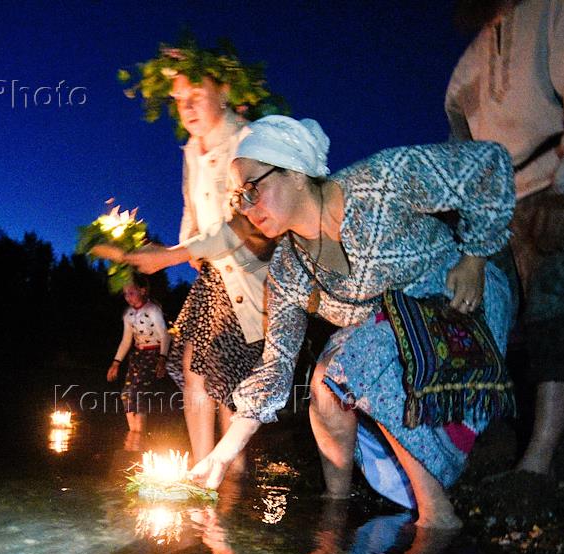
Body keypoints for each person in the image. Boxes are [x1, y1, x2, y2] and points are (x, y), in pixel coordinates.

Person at [189, 116, 517, 529]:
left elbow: (489, 163)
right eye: (238, 198)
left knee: (354, 362)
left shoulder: (380, 184)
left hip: (458, 302)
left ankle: (438, 516)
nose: (247, 207)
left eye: (253, 188)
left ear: (294, 172)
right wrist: (221, 454)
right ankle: (334, 510)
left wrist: (474, 257)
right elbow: (276, 367)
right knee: (323, 383)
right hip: (395, 335)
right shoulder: (289, 269)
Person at [445, 0, 564, 478]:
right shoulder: (471, 59)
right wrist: (469, 207)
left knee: (557, 305)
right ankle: (469, 443)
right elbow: (459, 135)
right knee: (483, 315)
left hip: (558, 180)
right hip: (499, 201)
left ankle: (538, 460)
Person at [95, 41, 278, 469]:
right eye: (179, 100)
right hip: (211, 279)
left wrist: (174, 255)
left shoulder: (248, 141)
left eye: (196, 96)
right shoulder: (192, 152)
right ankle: (208, 470)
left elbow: (244, 225)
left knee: (222, 378)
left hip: (253, 278)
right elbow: (190, 210)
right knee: (198, 371)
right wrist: (183, 243)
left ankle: (230, 472)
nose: (186, 107)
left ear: (226, 91)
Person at [108, 278, 170, 434]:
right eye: (125, 294)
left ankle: (139, 433)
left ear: (142, 291)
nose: (128, 296)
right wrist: (116, 363)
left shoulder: (152, 310)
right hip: (138, 354)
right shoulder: (128, 314)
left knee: (138, 391)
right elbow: (126, 340)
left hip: (154, 352)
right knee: (126, 393)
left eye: (131, 292)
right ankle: (133, 431)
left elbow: (165, 335)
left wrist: (162, 359)